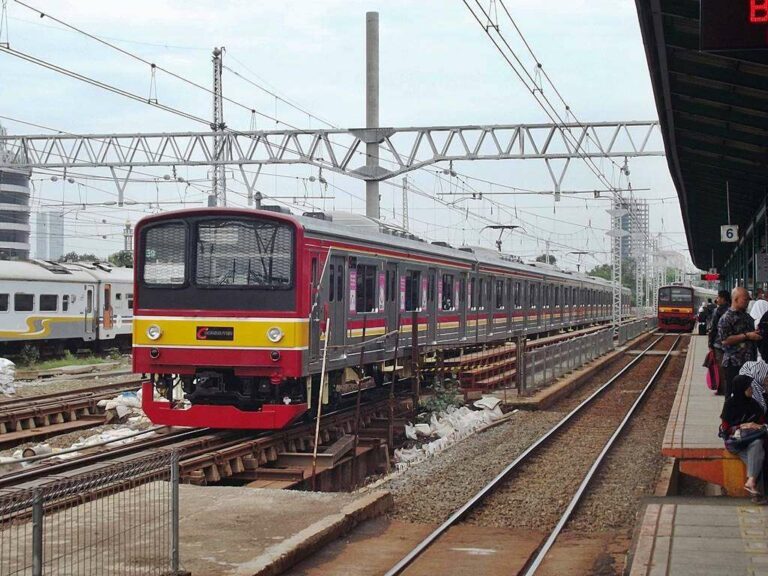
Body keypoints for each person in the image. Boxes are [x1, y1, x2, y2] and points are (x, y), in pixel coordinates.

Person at [720, 375, 767, 502]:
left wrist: (758, 426)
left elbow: (762, 424)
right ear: (741, 388)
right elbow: (725, 429)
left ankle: (752, 485)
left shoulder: (754, 404)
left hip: (752, 441)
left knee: (757, 447)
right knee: (759, 457)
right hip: (735, 442)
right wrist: (743, 426)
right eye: (749, 387)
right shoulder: (730, 405)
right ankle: (755, 489)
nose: (751, 389)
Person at [718, 287, 762, 397]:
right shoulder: (726, 318)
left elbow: (751, 332)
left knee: (747, 396)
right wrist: (747, 336)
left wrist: (756, 333)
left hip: (749, 363)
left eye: (748, 300)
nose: (747, 302)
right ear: (736, 299)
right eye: (745, 299)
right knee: (732, 395)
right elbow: (725, 340)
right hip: (734, 363)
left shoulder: (746, 316)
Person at [709, 290, 731, 394]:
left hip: (718, 344)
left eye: (718, 297)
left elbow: (713, 329)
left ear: (723, 299)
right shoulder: (732, 310)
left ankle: (722, 389)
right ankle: (729, 388)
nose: (717, 299)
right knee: (729, 367)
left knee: (720, 367)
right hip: (730, 344)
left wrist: (710, 344)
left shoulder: (717, 311)